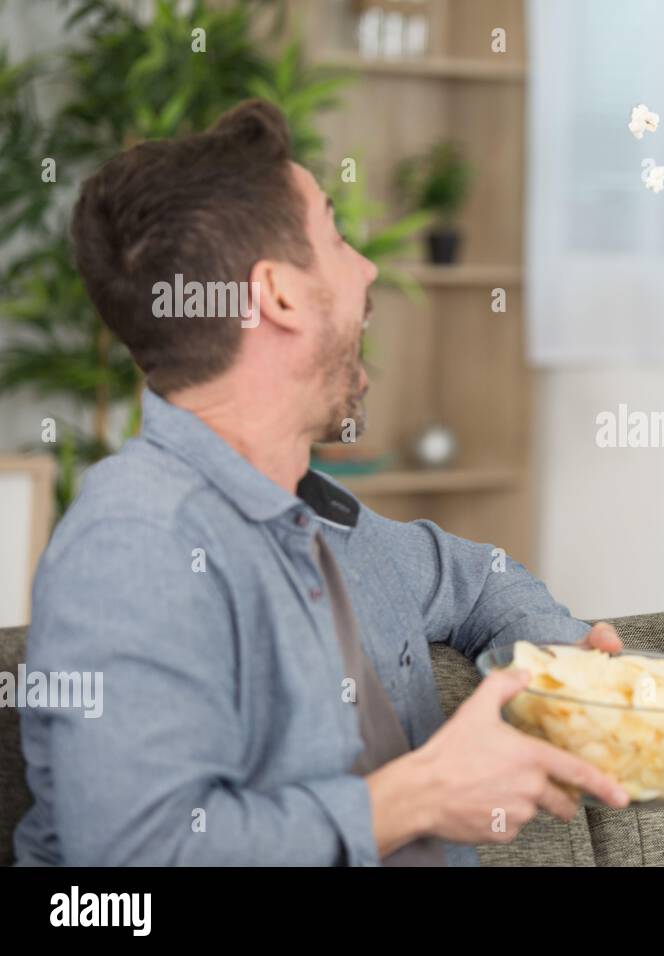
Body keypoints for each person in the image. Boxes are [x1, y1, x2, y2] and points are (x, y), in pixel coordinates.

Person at [15, 99, 629, 867]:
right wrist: (420, 795)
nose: (369, 267)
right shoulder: (139, 544)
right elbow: (134, 868)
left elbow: (478, 583)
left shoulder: (323, 523)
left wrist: (558, 671)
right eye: (336, 235)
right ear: (277, 295)